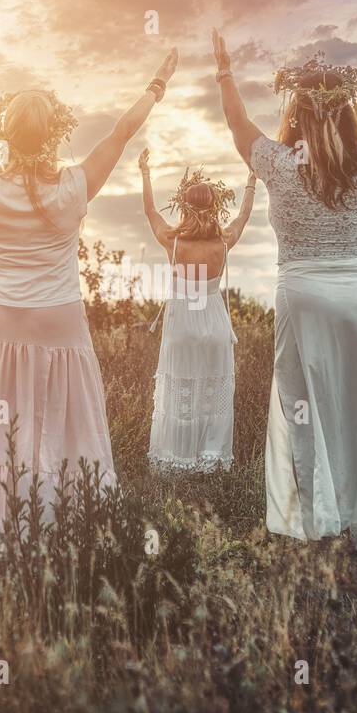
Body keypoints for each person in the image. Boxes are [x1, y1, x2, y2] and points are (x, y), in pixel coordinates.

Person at [0, 42, 180, 557]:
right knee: (64, 422)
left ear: (5, 135)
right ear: (55, 133)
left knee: (1, 425)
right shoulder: (73, 186)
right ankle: (68, 531)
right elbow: (121, 133)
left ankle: (2, 531)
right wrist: (156, 85)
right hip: (58, 323)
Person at [212, 7, 357, 548]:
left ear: (295, 112)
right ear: (347, 111)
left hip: (303, 297)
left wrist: (224, 72)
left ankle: (317, 523)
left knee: (305, 414)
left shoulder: (281, 164)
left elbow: (238, 128)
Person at [139, 150, 254, 473]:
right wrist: (251, 182)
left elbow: (149, 210)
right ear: (216, 206)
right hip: (215, 322)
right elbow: (243, 216)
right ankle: (211, 460)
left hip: (183, 323)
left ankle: (177, 459)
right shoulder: (224, 239)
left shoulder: (172, 240)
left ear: (182, 205)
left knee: (179, 394)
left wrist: (145, 172)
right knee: (212, 392)